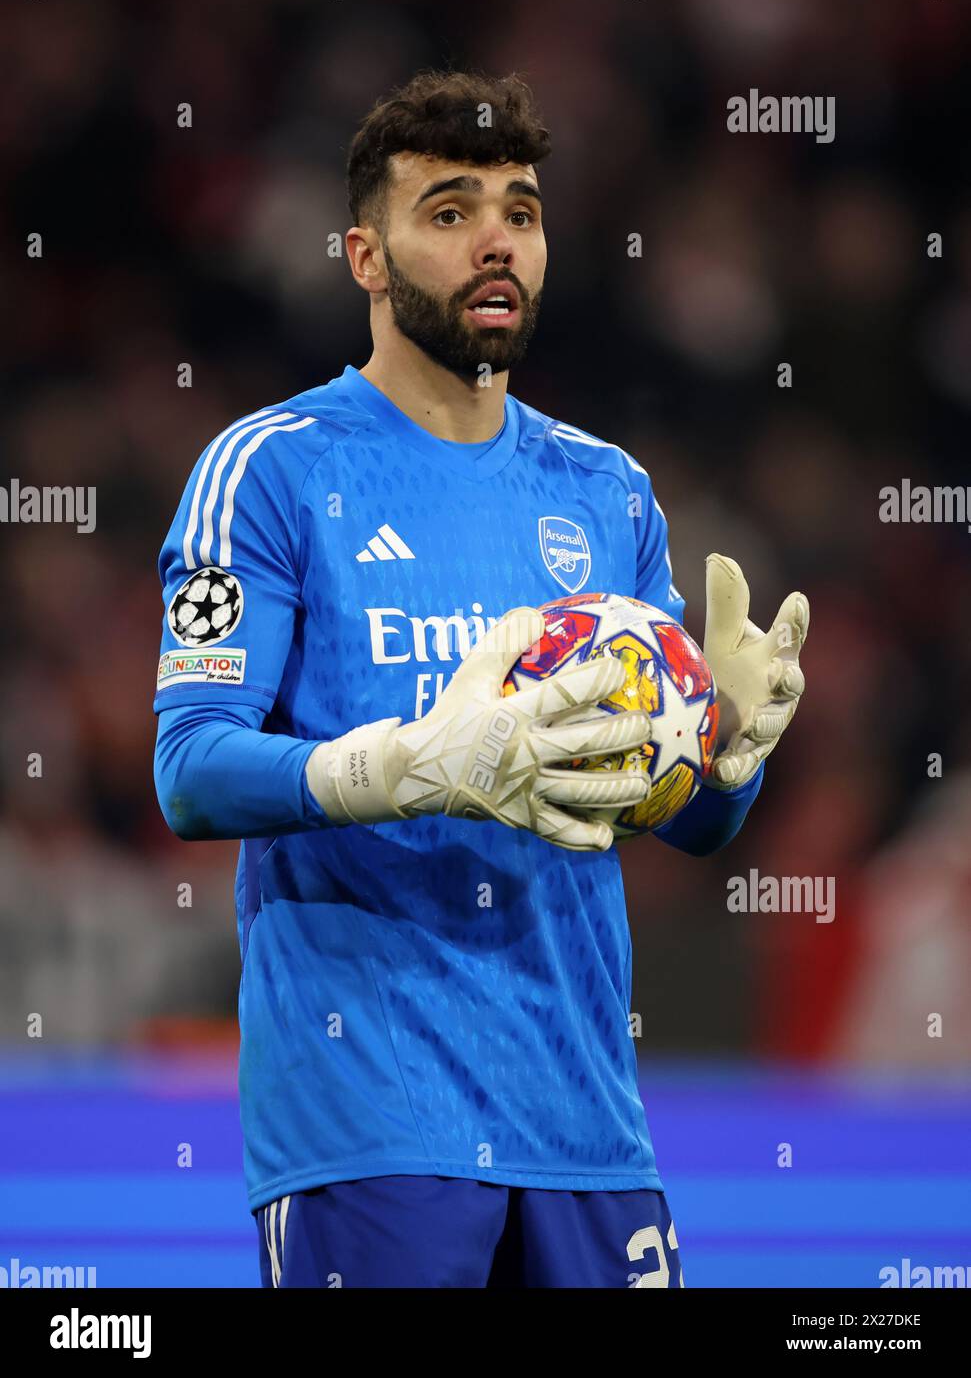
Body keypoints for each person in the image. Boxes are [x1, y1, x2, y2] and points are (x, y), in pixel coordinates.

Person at [153, 68, 808, 1288]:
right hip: (370, 1127)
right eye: (448, 212)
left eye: (520, 208)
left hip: (588, 1127)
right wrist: (406, 769)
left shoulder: (605, 492)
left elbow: (686, 819)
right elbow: (190, 769)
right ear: (364, 255)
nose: (496, 238)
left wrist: (729, 757)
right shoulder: (267, 471)